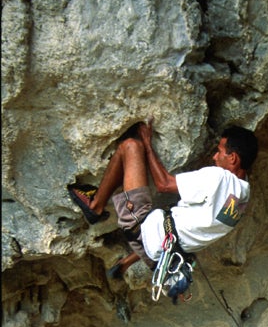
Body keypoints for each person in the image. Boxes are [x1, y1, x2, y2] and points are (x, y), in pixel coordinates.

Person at [67, 118, 258, 288]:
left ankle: (95, 206)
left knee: (131, 147)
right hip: (163, 254)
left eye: (220, 152)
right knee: (175, 227)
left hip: (140, 228)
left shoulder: (219, 178)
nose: (215, 157)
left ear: (233, 158)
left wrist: (148, 145)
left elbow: (164, 185)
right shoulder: (243, 196)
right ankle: (126, 262)